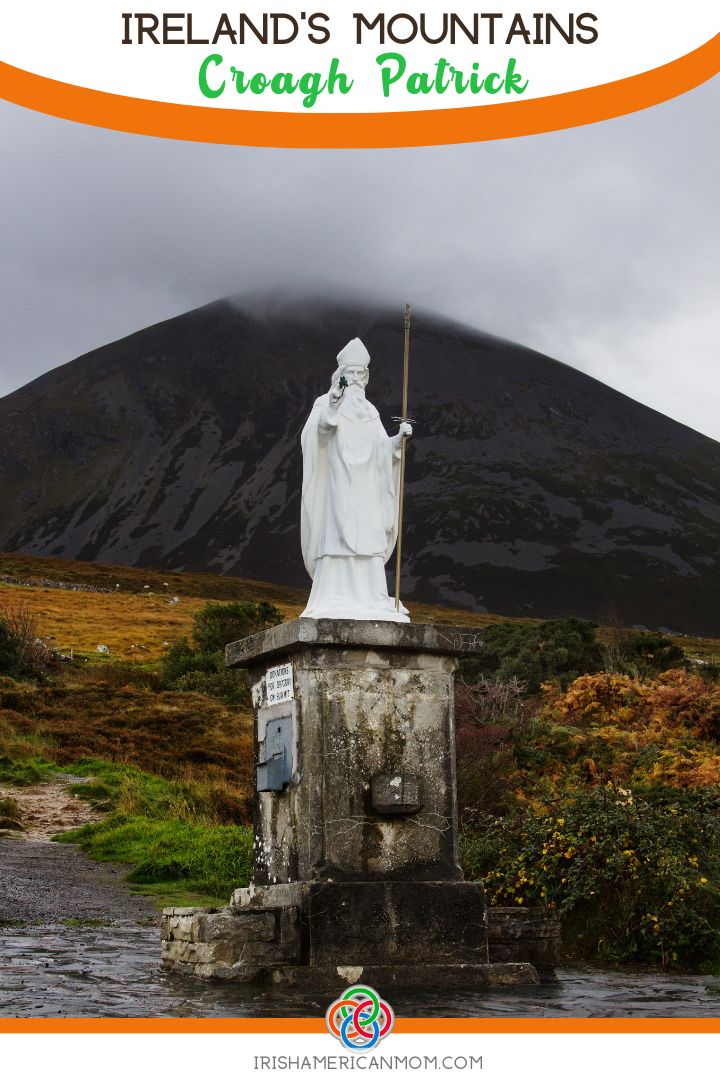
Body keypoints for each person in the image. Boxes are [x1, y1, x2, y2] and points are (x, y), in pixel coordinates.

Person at [300, 337, 412, 621]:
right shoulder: (325, 403)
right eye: (350, 373)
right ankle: (336, 596)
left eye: (361, 373)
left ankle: (372, 598)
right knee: (339, 537)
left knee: (370, 540)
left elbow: (380, 449)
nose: (356, 379)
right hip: (340, 484)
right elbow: (317, 436)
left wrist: (397, 442)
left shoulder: (370, 411)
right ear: (340, 375)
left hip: (367, 489)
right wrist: (332, 407)